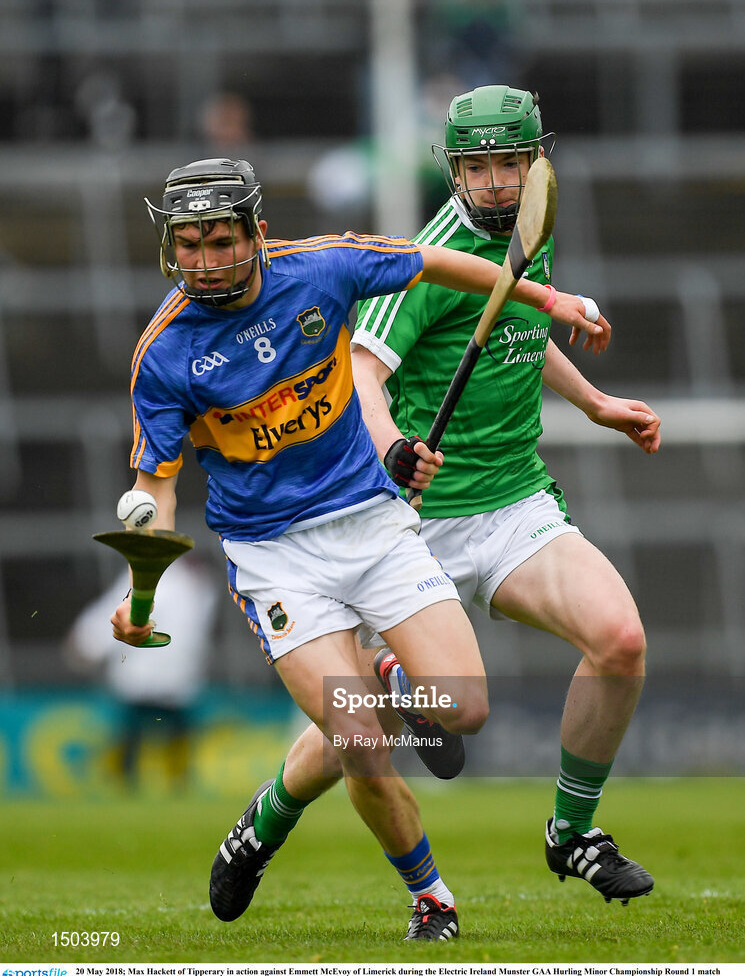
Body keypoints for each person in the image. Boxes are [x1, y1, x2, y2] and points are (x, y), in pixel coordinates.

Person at [109, 156, 603, 941]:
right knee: (360, 740)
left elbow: (431, 261)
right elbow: (157, 485)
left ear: (256, 233)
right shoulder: (165, 353)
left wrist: (547, 296)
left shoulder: (319, 267)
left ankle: (276, 804)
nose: (204, 260)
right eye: (188, 244)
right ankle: (430, 897)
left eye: (219, 240)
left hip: (370, 523)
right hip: (274, 556)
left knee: (464, 709)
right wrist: (143, 585)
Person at [235, 85, 659, 911]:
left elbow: (517, 333)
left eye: (511, 163)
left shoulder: (532, 221)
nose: (498, 184)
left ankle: (572, 833)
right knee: (354, 732)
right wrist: (392, 445)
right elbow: (361, 370)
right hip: (414, 526)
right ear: (453, 171)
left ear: (537, 163)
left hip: (512, 502)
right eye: (480, 168)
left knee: (620, 641)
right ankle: (264, 819)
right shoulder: (421, 259)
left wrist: (594, 402)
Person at [66, 554, 217, 789]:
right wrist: (89, 642)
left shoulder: (203, 586)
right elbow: (117, 612)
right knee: (133, 741)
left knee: (177, 743)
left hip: (178, 681)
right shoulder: (152, 580)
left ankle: (177, 788)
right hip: (142, 679)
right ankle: (127, 788)